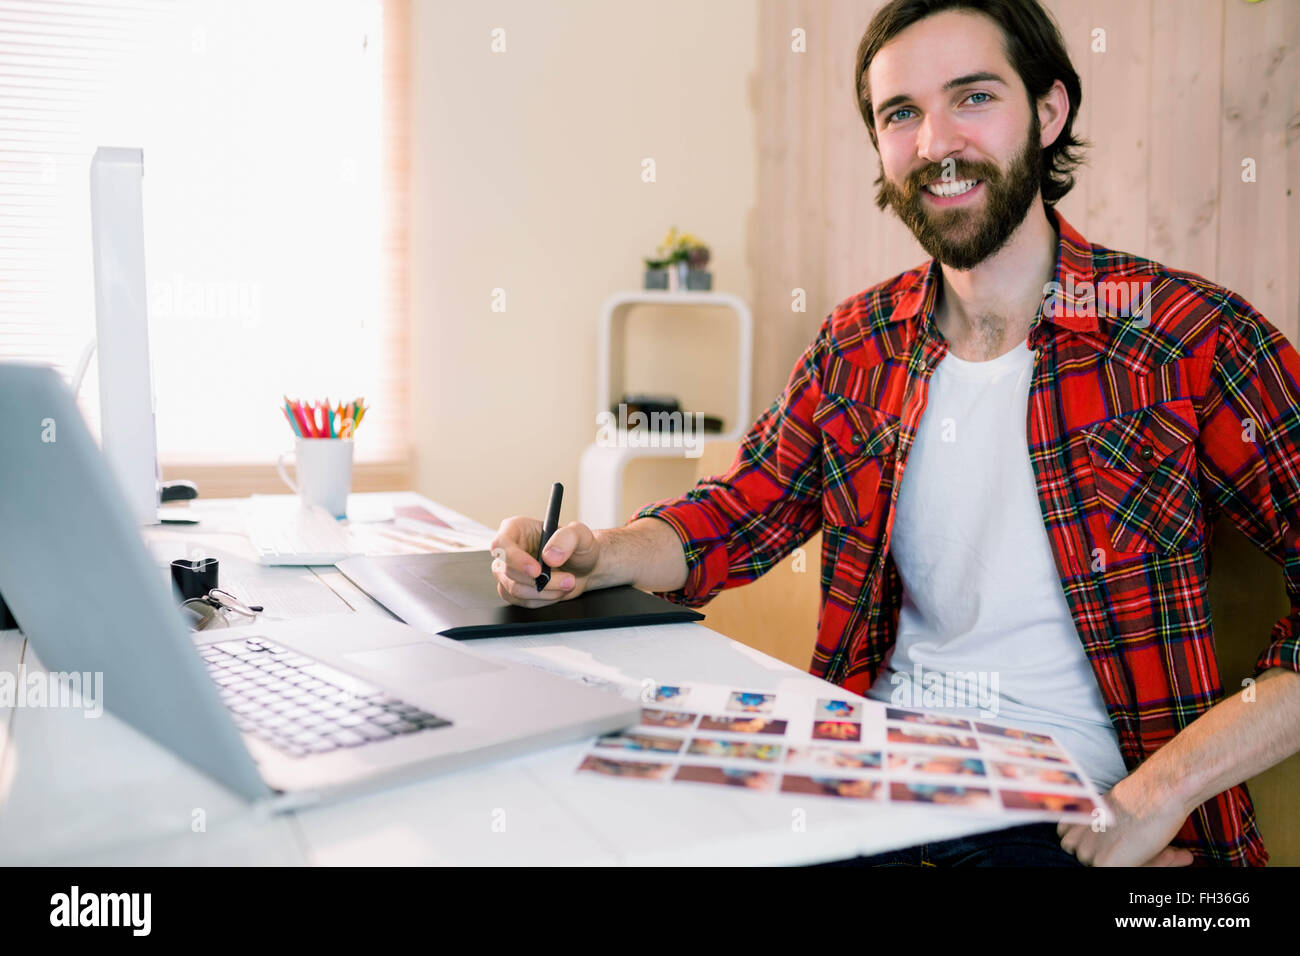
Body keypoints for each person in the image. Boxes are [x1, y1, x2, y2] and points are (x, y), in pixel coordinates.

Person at [490, 0, 1300, 867]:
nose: (935, 142)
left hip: (1081, 812)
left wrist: (1159, 793)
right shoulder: (857, 343)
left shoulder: (1184, 336)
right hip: (865, 780)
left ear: (1050, 111)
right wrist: (595, 556)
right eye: (901, 113)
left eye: (974, 97)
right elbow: (733, 515)